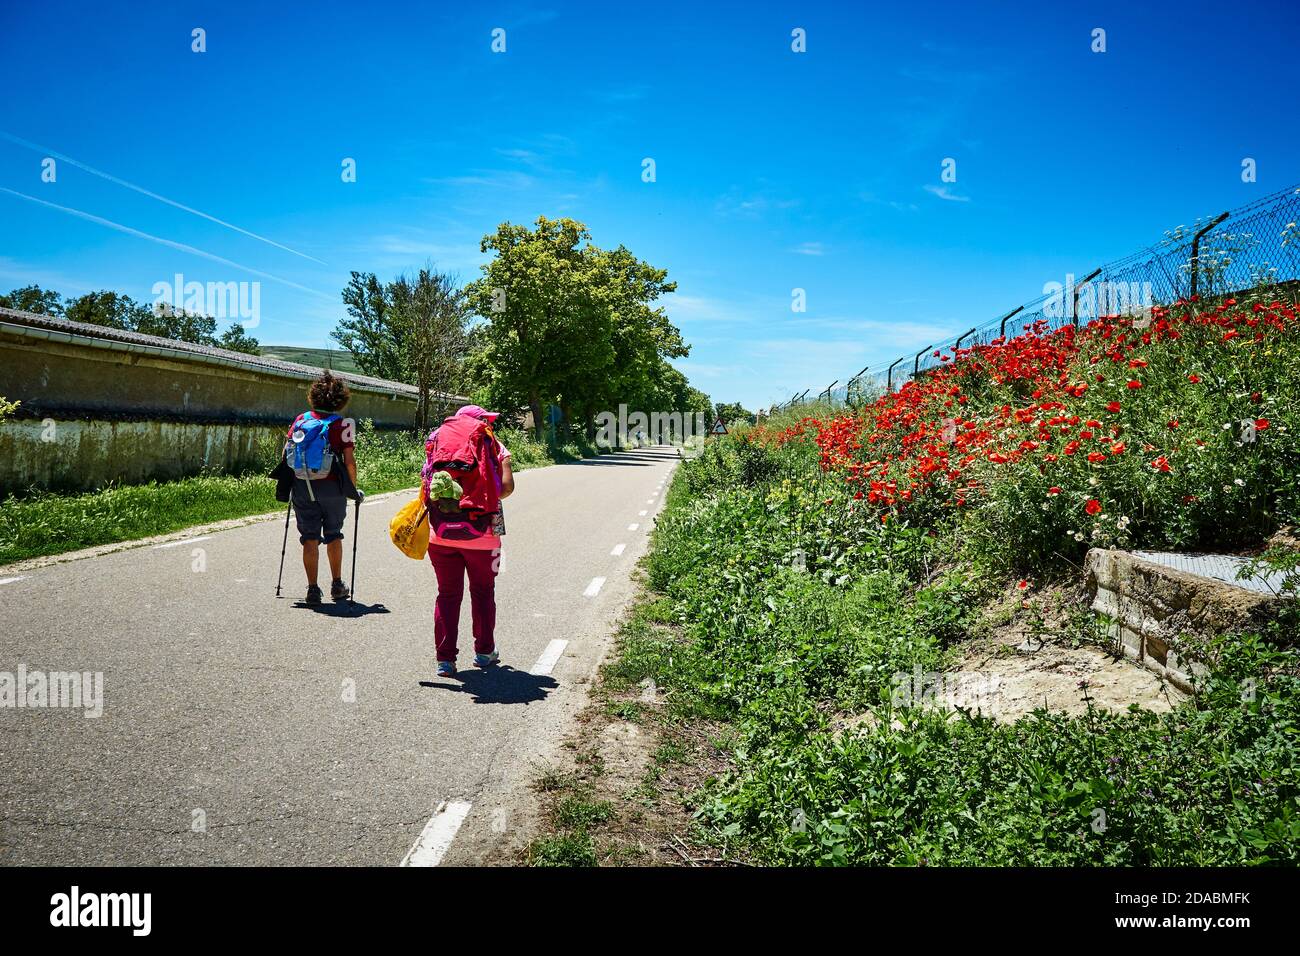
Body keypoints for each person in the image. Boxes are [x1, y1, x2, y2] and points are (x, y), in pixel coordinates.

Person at [422, 404, 514, 677]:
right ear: (479, 422)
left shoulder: (435, 440)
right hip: (483, 536)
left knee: (447, 595)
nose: (489, 423)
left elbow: (427, 482)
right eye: (486, 419)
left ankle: (445, 660)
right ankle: (484, 652)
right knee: (483, 592)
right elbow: (506, 489)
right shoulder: (495, 444)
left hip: (440, 534)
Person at [281, 371, 361, 604]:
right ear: (340, 399)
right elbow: (349, 461)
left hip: (302, 486)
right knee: (334, 534)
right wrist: (352, 490)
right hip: (332, 489)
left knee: (309, 537)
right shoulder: (343, 424)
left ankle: (313, 590)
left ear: (313, 395)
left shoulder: (300, 419)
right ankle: (337, 585)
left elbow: (286, 453)